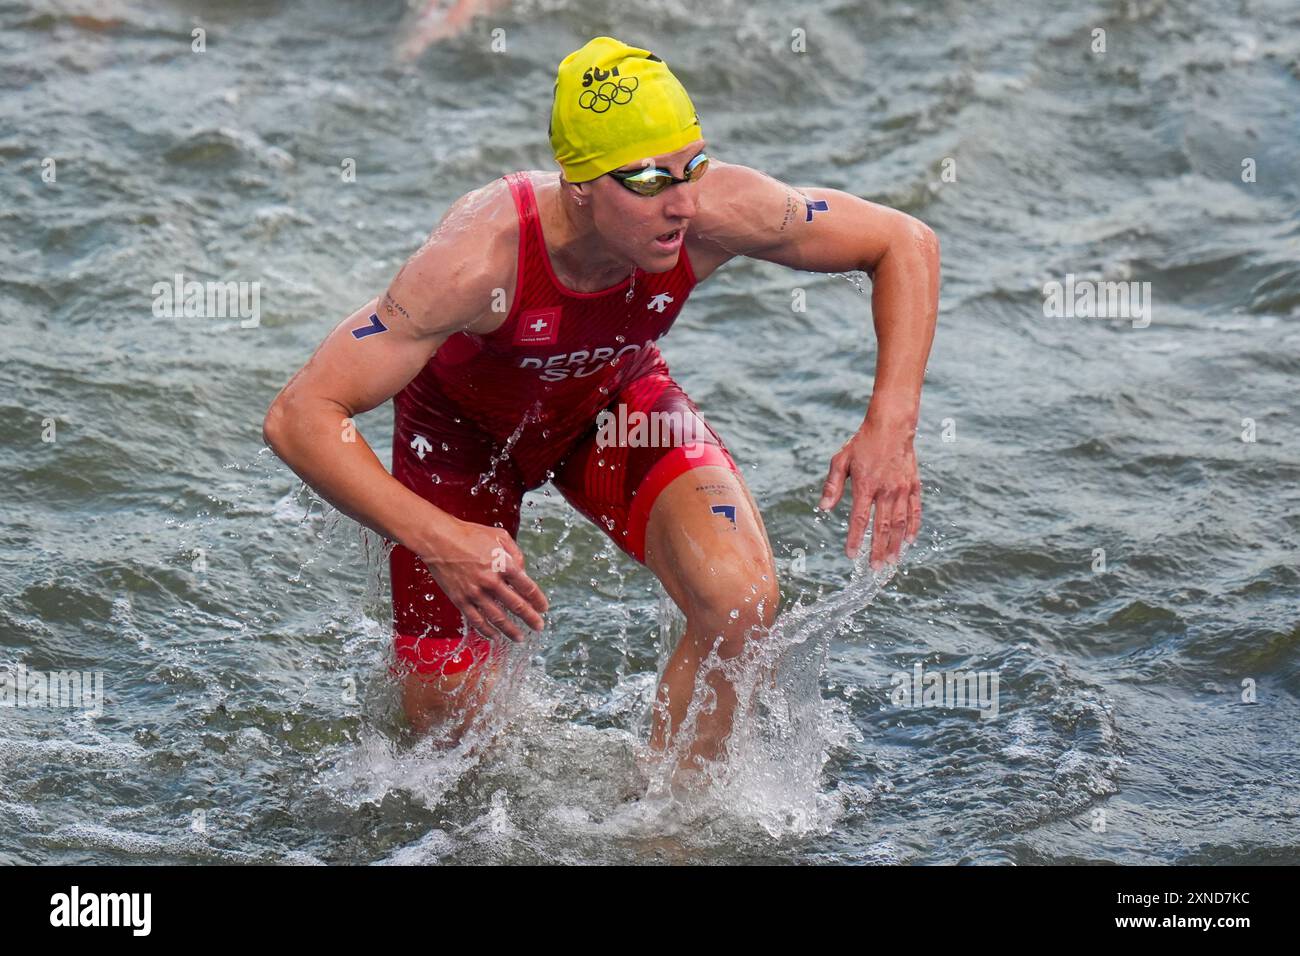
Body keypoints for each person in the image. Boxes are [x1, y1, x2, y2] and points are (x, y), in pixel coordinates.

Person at [263, 36, 939, 775]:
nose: (682, 202)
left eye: (694, 167)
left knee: (739, 604)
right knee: (446, 759)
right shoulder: (476, 259)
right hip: (460, 439)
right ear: (579, 184)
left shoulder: (716, 212)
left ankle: (671, 829)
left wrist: (891, 424)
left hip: (610, 401)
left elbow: (902, 241)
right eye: (649, 179)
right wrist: (438, 537)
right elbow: (300, 415)